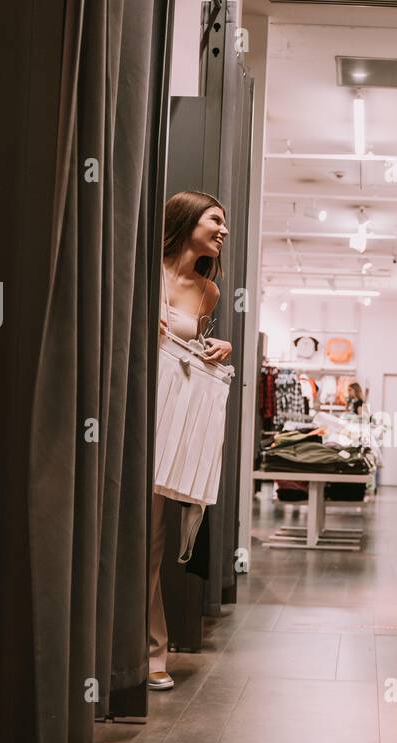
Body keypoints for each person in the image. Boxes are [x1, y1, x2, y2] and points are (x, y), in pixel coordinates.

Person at [148, 191, 233, 691]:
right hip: (136, 411)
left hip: (173, 421)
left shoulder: (208, 293)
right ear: (187, 219)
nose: (222, 231)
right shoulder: (147, 271)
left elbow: (190, 353)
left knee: (153, 540)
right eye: (215, 220)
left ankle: (153, 649)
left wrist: (217, 347)